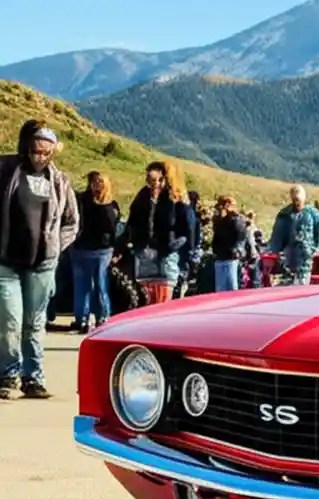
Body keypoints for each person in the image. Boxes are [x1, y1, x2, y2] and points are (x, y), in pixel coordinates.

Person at [0, 121, 79, 400]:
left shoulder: (59, 181)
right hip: (6, 261)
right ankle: (8, 376)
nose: (40, 156)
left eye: (46, 152)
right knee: (10, 320)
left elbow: (71, 221)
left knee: (34, 322)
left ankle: (33, 377)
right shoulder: (7, 170)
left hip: (42, 263)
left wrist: (55, 248)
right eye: (36, 150)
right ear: (27, 148)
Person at [126, 161, 194, 304]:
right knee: (147, 298)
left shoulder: (175, 199)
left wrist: (177, 247)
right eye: (151, 179)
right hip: (145, 253)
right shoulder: (143, 197)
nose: (155, 183)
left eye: (159, 178)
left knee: (163, 300)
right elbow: (133, 221)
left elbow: (189, 228)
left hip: (166, 254)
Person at [69, 171, 120, 333]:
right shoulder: (82, 201)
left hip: (102, 250)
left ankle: (103, 316)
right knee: (81, 285)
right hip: (81, 247)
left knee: (100, 283)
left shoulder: (111, 205)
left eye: (100, 182)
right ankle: (81, 318)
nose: (96, 185)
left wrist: (117, 249)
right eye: (94, 181)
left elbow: (113, 229)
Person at [267, 185, 319, 285]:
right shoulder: (284, 215)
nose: (297, 203)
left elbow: (318, 234)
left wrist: (312, 249)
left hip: (305, 260)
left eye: (299, 200)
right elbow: (278, 236)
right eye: (295, 200)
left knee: (302, 286)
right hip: (288, 259)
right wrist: (276, 252)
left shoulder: (313, 214)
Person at [210, 195, 250, 292]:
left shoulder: (237, 220)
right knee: (220, 289)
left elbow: (240, 237)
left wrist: (235, 251)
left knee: (232, 288)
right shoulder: (219, 221)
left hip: (231, 259)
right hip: (220, 258)